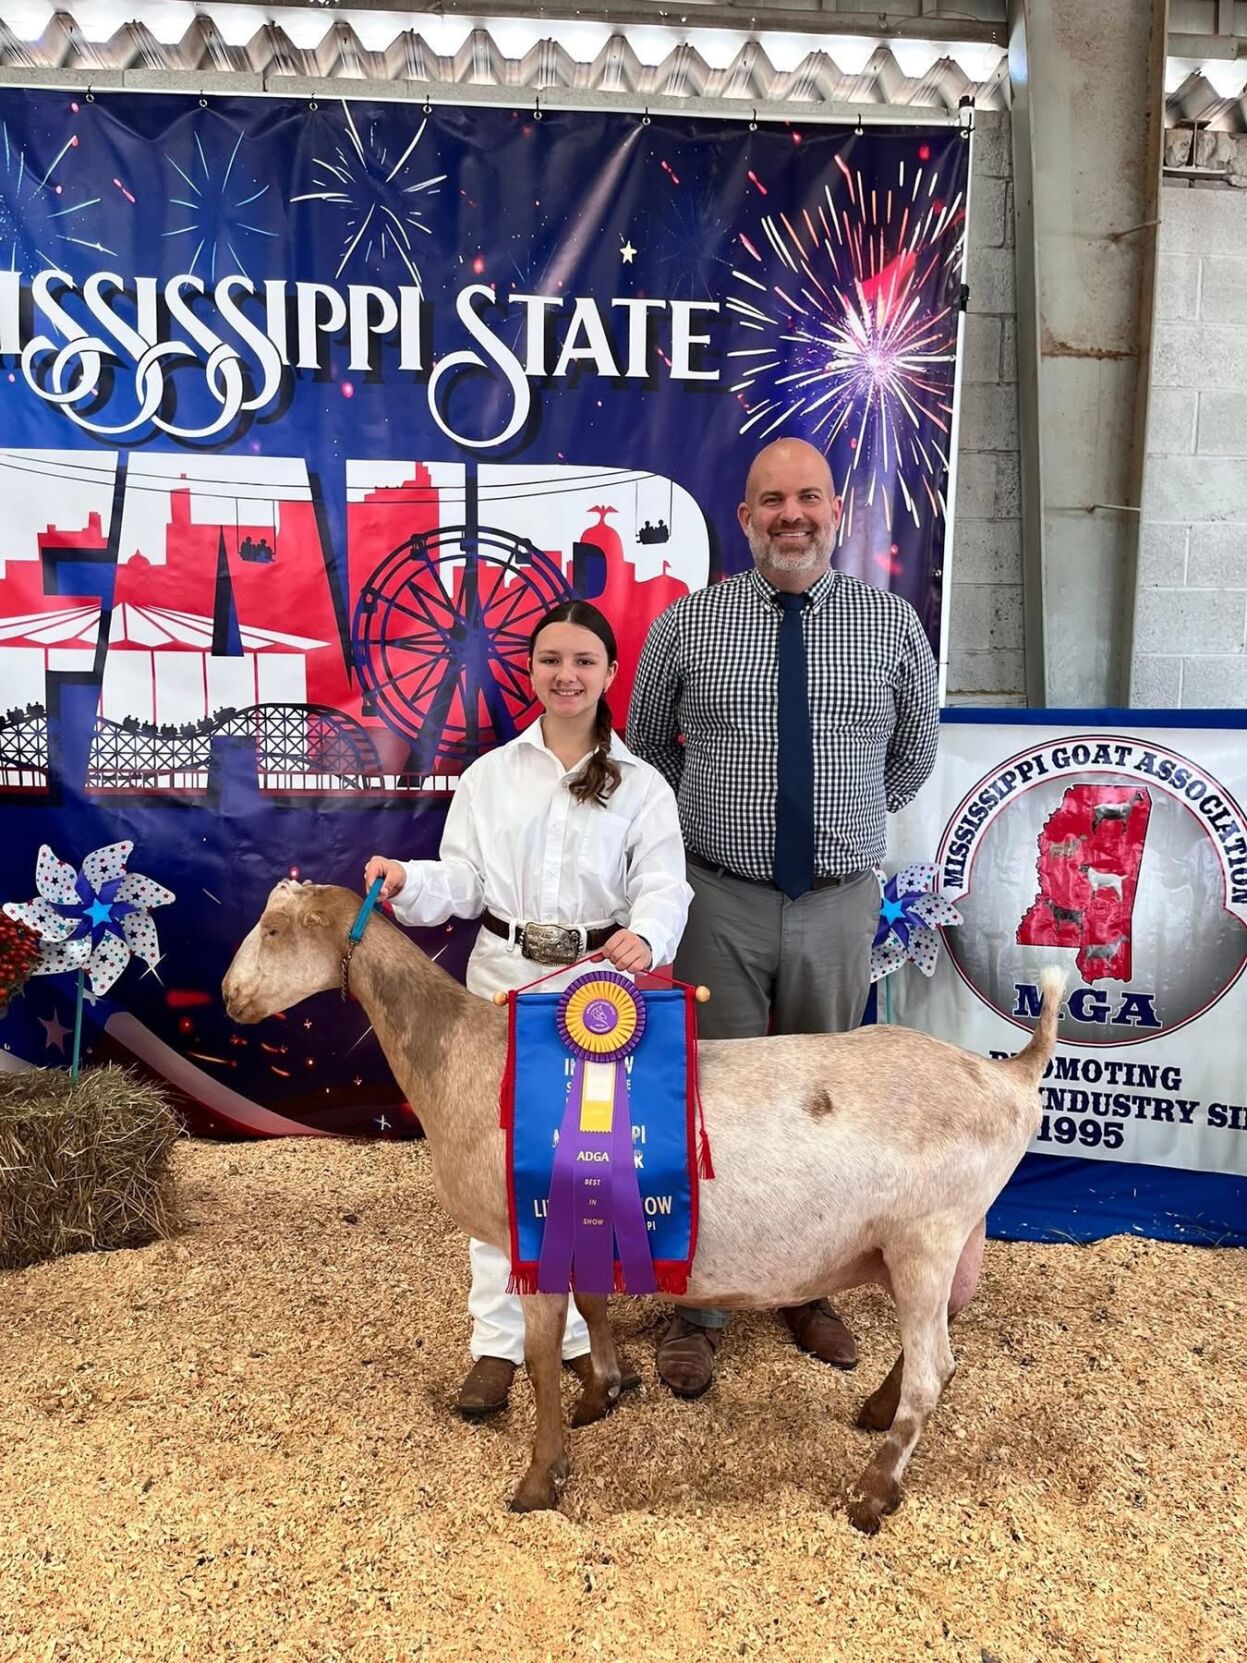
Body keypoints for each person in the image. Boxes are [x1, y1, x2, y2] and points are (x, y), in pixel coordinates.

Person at [627, 436, 940, 1398]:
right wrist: (716, 830)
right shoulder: (689, 623)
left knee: (825, 1111)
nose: (791, 515)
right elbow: (647, 749)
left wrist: (842, 825)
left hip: (838, 904)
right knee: (710, 1105)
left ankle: (810, 1289)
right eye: (771, 500)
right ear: (745, 517)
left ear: (836, 511)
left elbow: (912, 754)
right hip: (719, 899)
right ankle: (699, 1305)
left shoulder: (890, 623)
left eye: (808, 497)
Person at [365, 599, 692, 1419]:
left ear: (609, 673)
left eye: (583, 660)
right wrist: (408, 881)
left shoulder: (642, 785)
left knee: (585, 1166)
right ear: (531, 668)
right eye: (550, 659)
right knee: (496, 1166)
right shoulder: (489, 775)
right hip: (499, 986)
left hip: (597, 994)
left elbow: (664, 883)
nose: (565, 674)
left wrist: (647, 934)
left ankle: (577, 1336)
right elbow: (462, 881)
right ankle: (495, 1343)